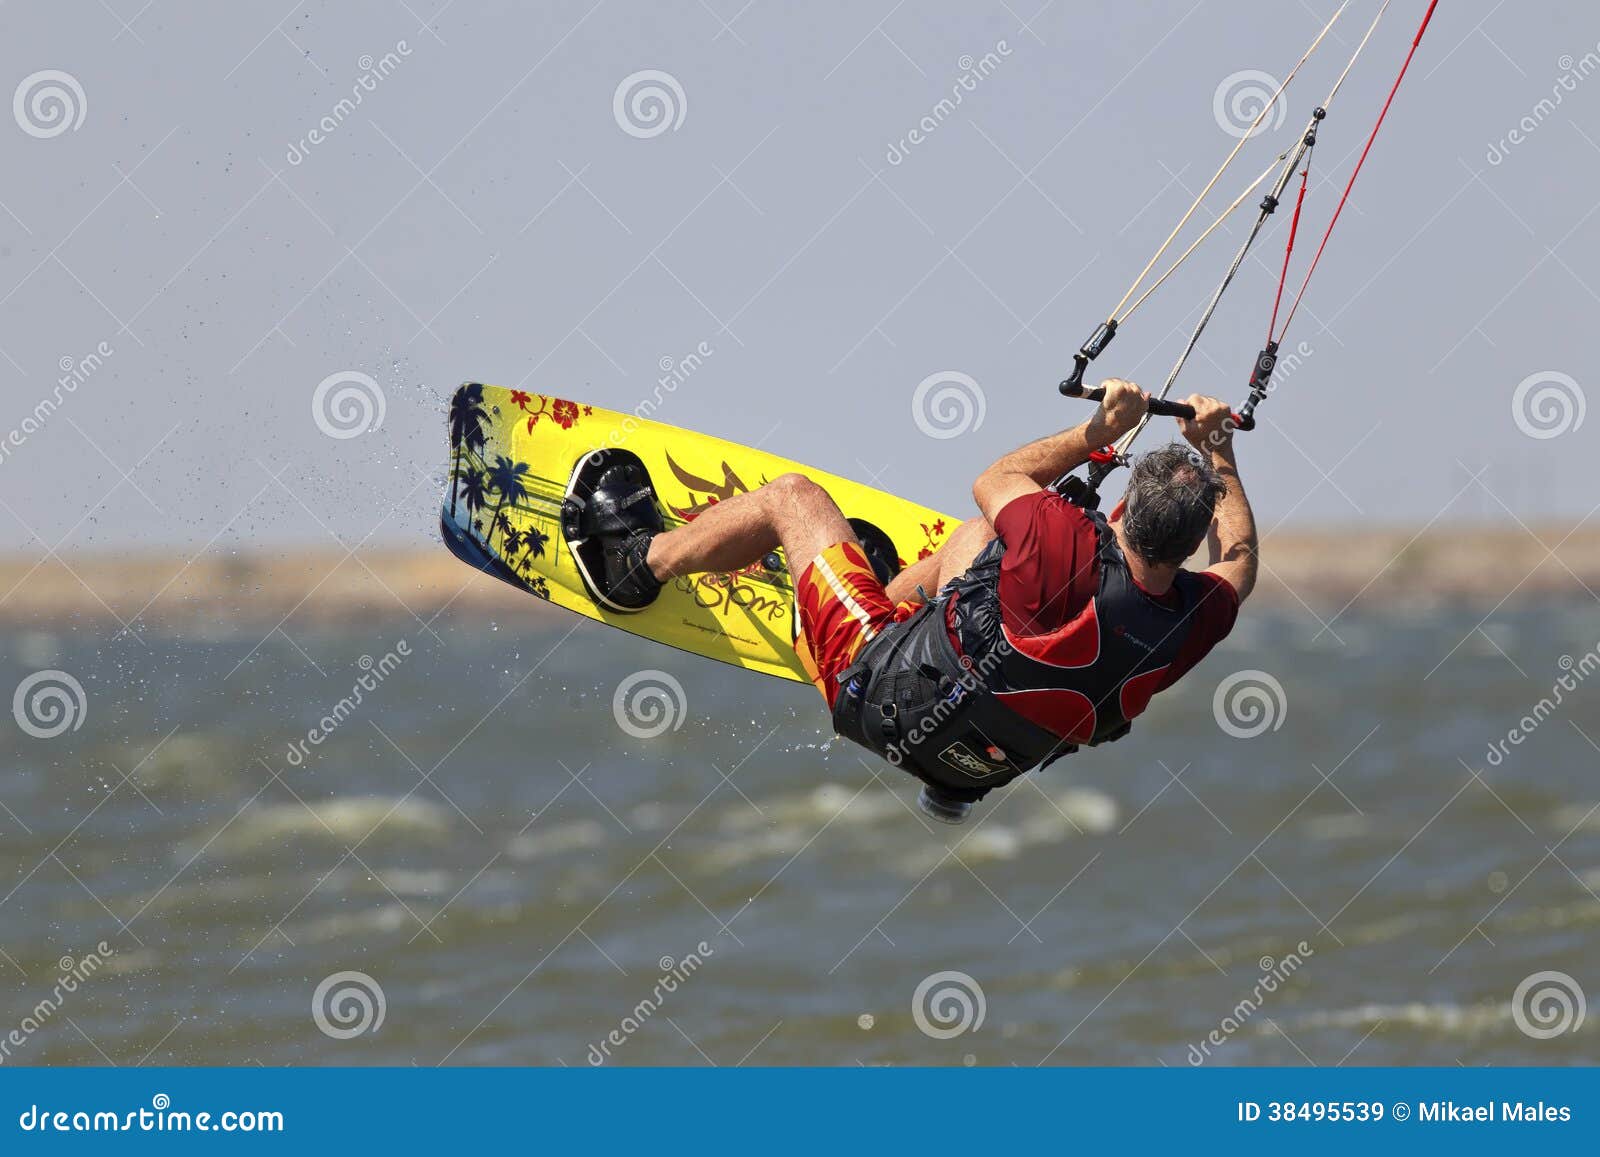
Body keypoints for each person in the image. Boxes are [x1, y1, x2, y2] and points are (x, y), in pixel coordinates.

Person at [565, 379, 1257, 823]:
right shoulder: (1194, 618)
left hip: (875, 694)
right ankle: (891, 620)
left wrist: (1096, 434)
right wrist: (1219, 449)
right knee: (979, 539)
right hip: (980, 765)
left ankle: (636, 564)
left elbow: (997, 477)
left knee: (793, 498)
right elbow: (1242, 558)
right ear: (1190, 542)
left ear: (1129, 503)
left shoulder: (1060, 537)